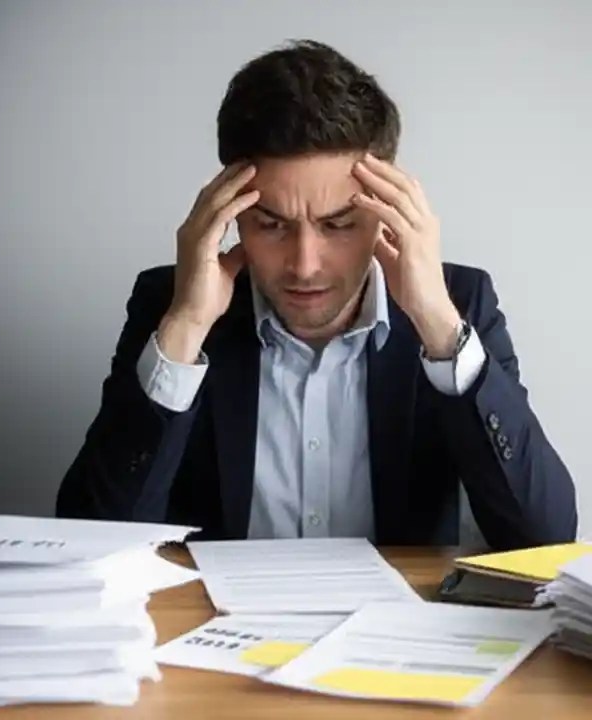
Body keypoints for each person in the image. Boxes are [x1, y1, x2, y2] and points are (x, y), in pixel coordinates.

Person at [54, 39, 577, 550]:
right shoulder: (170, 304)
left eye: (339, 224)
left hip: (395, 630)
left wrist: (438, 323)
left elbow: (544, 539)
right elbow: (89, 541)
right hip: (217, 628)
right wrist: (185, 330)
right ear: (227, 212)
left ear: (385, 210)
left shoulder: (458, 301)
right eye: (271, 224)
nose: (304, 265)